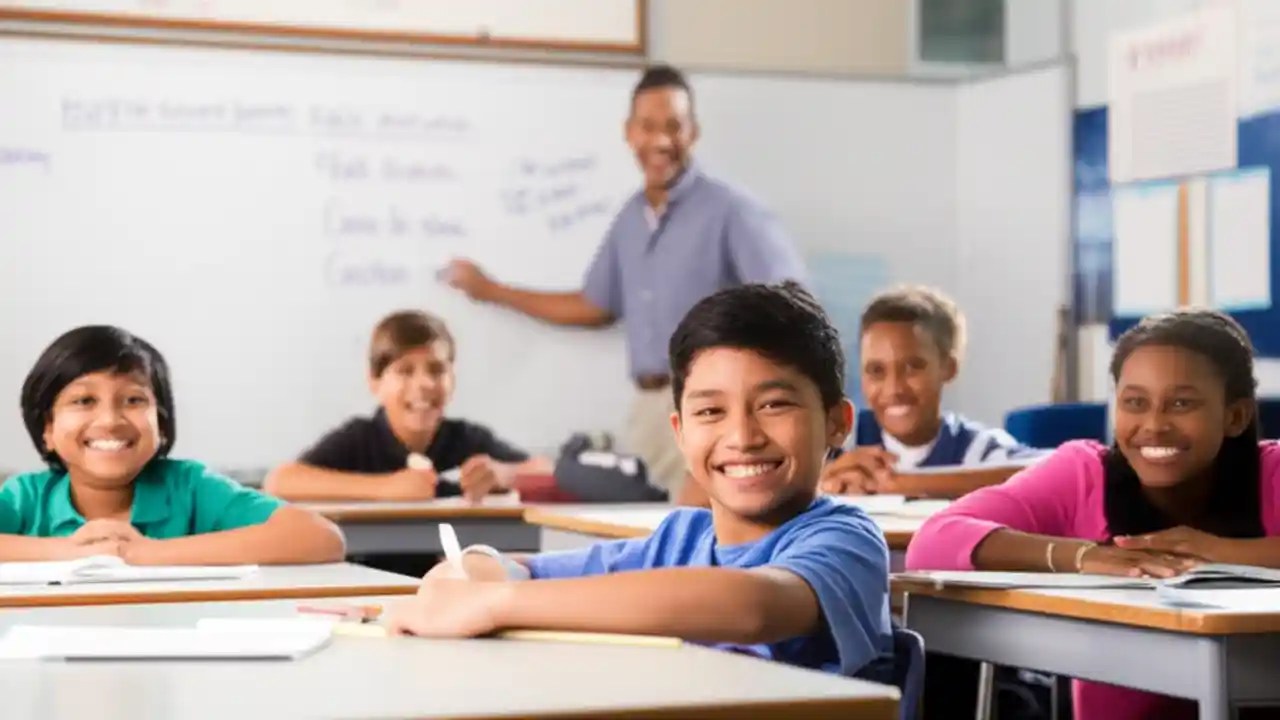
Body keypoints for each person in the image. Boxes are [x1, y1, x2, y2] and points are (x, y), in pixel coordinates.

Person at [385, 282, 893, 679]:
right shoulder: (678, 541)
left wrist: (493, 604)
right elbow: (522, 571)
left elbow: (752, 606)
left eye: (774, 404)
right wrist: (472, 571)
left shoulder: (844, 540)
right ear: (679, 431)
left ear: (837, 423)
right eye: (710, 410)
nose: (741, 435)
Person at [443, 64, 806, 499]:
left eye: (674, 126)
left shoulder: (730, 211)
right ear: (629, 132)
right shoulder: (630, 220)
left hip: (711, 407)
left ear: (693, 132)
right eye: (648, 126)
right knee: (649, 534)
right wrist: (492, 291)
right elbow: (593, 306)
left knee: (699, 532)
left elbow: (790, 301)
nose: (660, 140)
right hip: (649, 411)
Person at [905, 308, 1280, 720]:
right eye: (1135, 402)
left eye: (1181, 403)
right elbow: (933, 541)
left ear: (1236, 416)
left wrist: (1220, 554)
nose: (1154, 424)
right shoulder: (1084, 476)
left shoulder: (1272, 473)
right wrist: (1081, 556)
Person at [0, 325, 345, 564]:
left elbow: (321, 538)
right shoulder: (25, 497)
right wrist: (72, 552)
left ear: (161, 423)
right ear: (47, 427)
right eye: (84, 401)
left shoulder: (190, 488)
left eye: (133, 400)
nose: (110, 420)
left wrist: (142, 554)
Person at [265, 310, 550, 504]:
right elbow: (279, 482)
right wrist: (386, 488)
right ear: (375, 382)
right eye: (405, 371)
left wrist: (501, 474)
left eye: (437, 370)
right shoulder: (360, 438)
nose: (424, 383)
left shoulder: (467, 439)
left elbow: (547, 471)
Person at [821, 286, 1038, 496]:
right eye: (876, 371)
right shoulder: (845, 438)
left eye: (912, 367)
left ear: (948, 368)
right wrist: (824, 477)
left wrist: (897, 483)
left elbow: (1050, 473)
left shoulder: (976, 447)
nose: (894, 388)